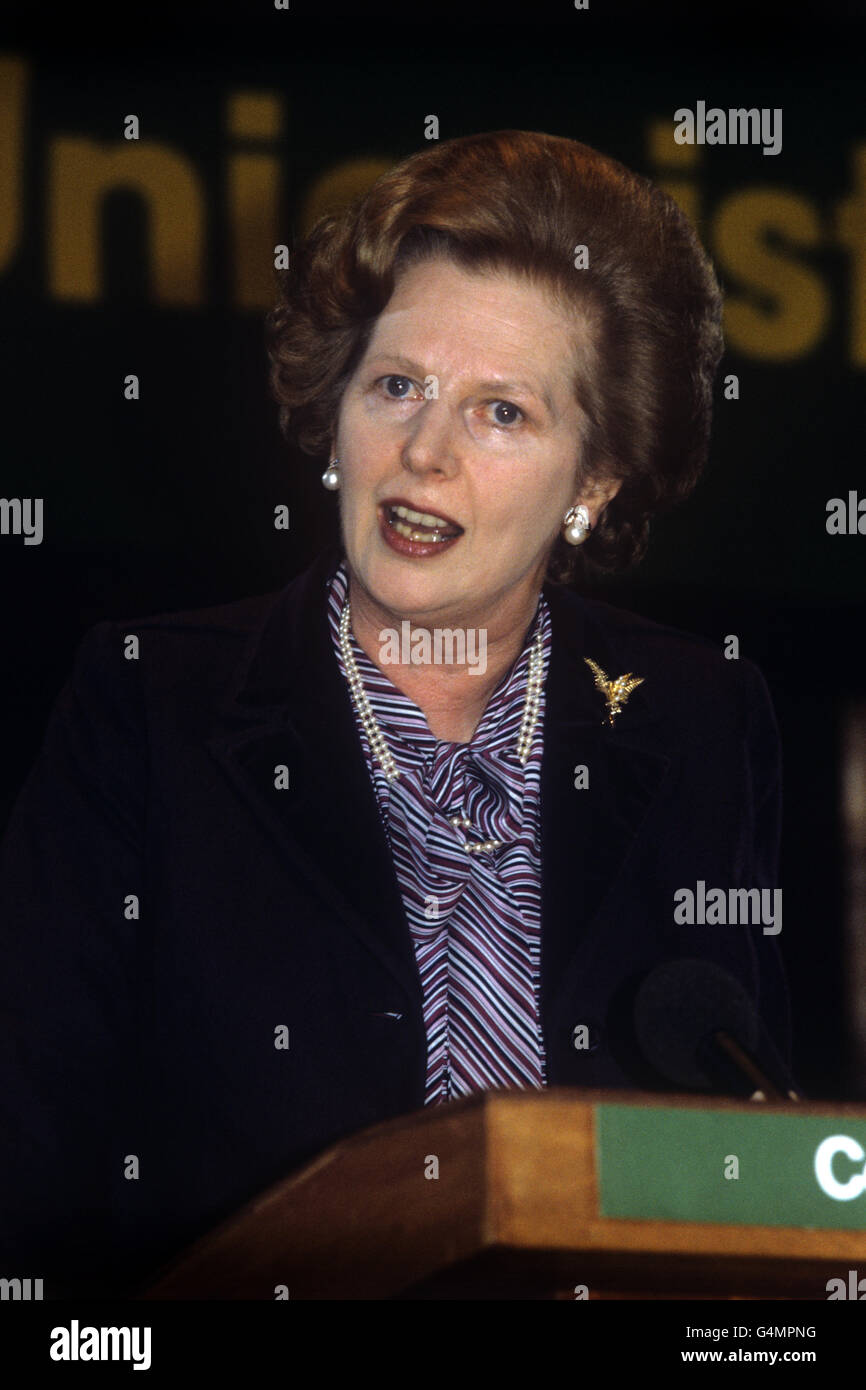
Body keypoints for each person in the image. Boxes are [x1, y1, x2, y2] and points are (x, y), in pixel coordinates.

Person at [0, 129, 794, 1298]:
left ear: (594, 480)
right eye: (397, 386)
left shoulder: (697, 718)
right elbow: (29, 1157)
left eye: (501, 413)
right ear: (337, 408)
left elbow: (749, 1152)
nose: (422, 453)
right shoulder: (149, 703)